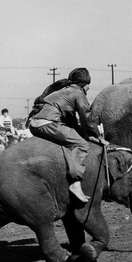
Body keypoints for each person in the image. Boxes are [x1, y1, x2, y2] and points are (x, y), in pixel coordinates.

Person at [28, 67, 100, 203]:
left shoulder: (61, 92)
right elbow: (87, 119)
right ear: (85, 85)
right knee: (81, 144)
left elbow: (72, 123)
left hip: (33, 124)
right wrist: (97, 135)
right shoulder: (78, 93)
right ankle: (75, 183)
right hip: (48, 124)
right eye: (89, 86)